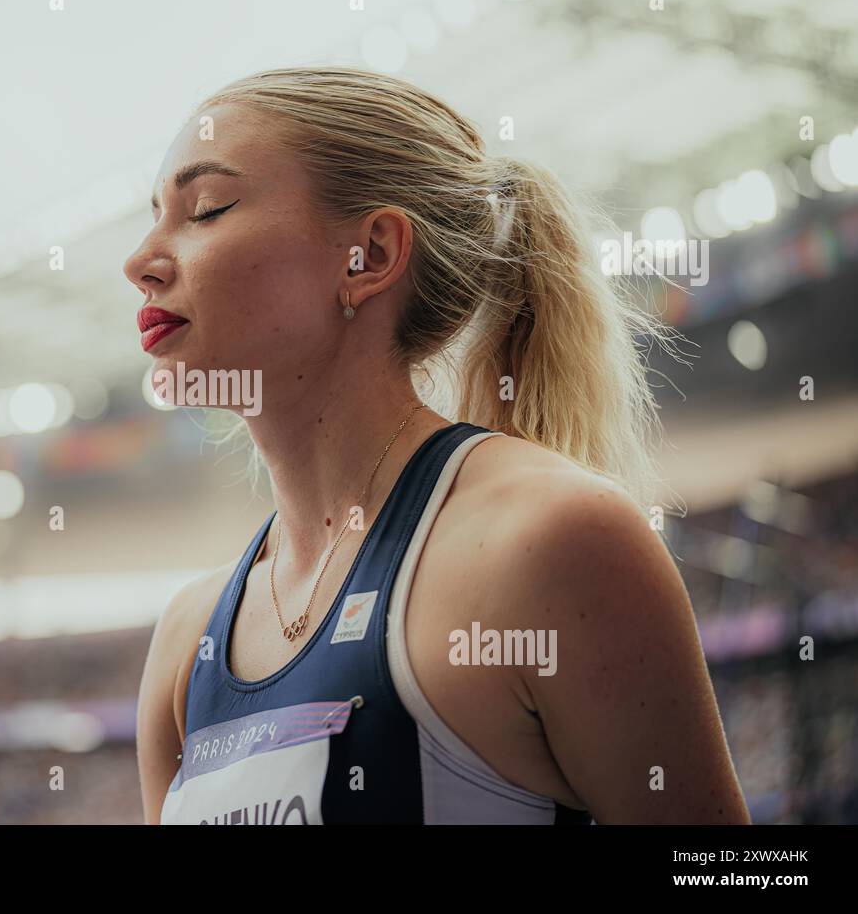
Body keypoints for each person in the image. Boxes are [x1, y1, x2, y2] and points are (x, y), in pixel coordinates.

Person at [126, 66, 750, 824]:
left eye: (206, 209)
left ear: (373, 254)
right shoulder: (185, 642)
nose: (141, 261)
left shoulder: (549, 541)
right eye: (154, 215)